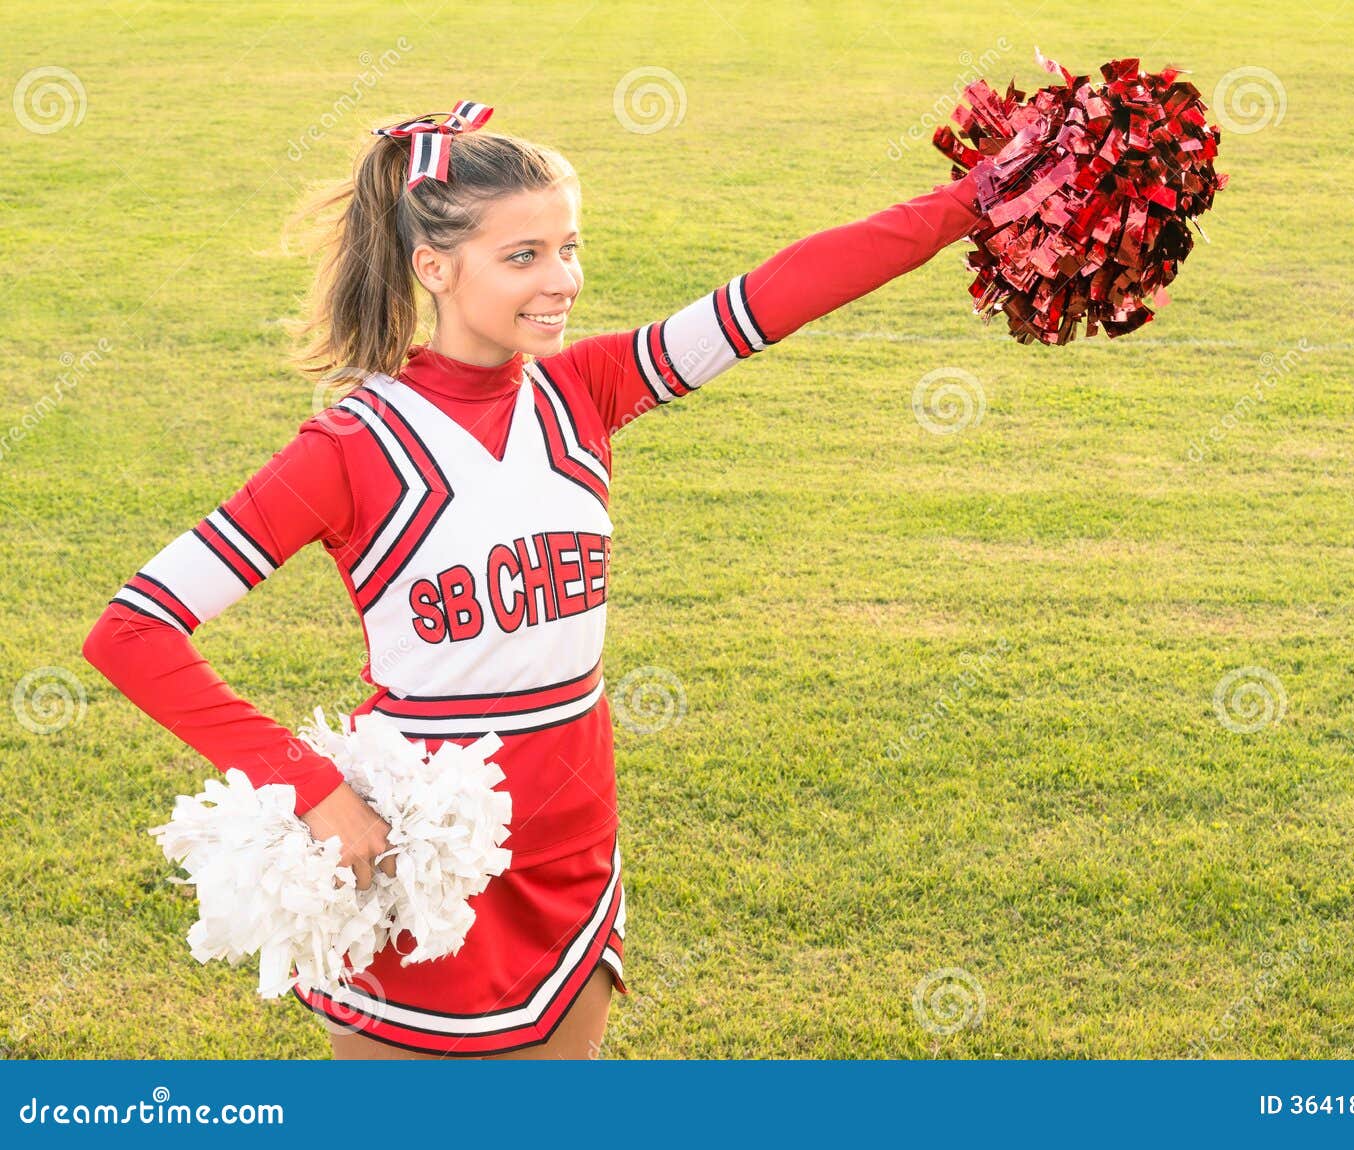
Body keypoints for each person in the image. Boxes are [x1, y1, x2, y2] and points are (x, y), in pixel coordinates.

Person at [81, 99, 986, 1059]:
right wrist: (310, 786)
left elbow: (778, 294)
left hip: (571, 842)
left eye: (569, 247)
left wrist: (978, 199)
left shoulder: (586, 392)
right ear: (434, 267)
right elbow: (131, 630)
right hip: (421, 856)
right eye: (524, 257)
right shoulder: (351, 445)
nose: (563, 282)